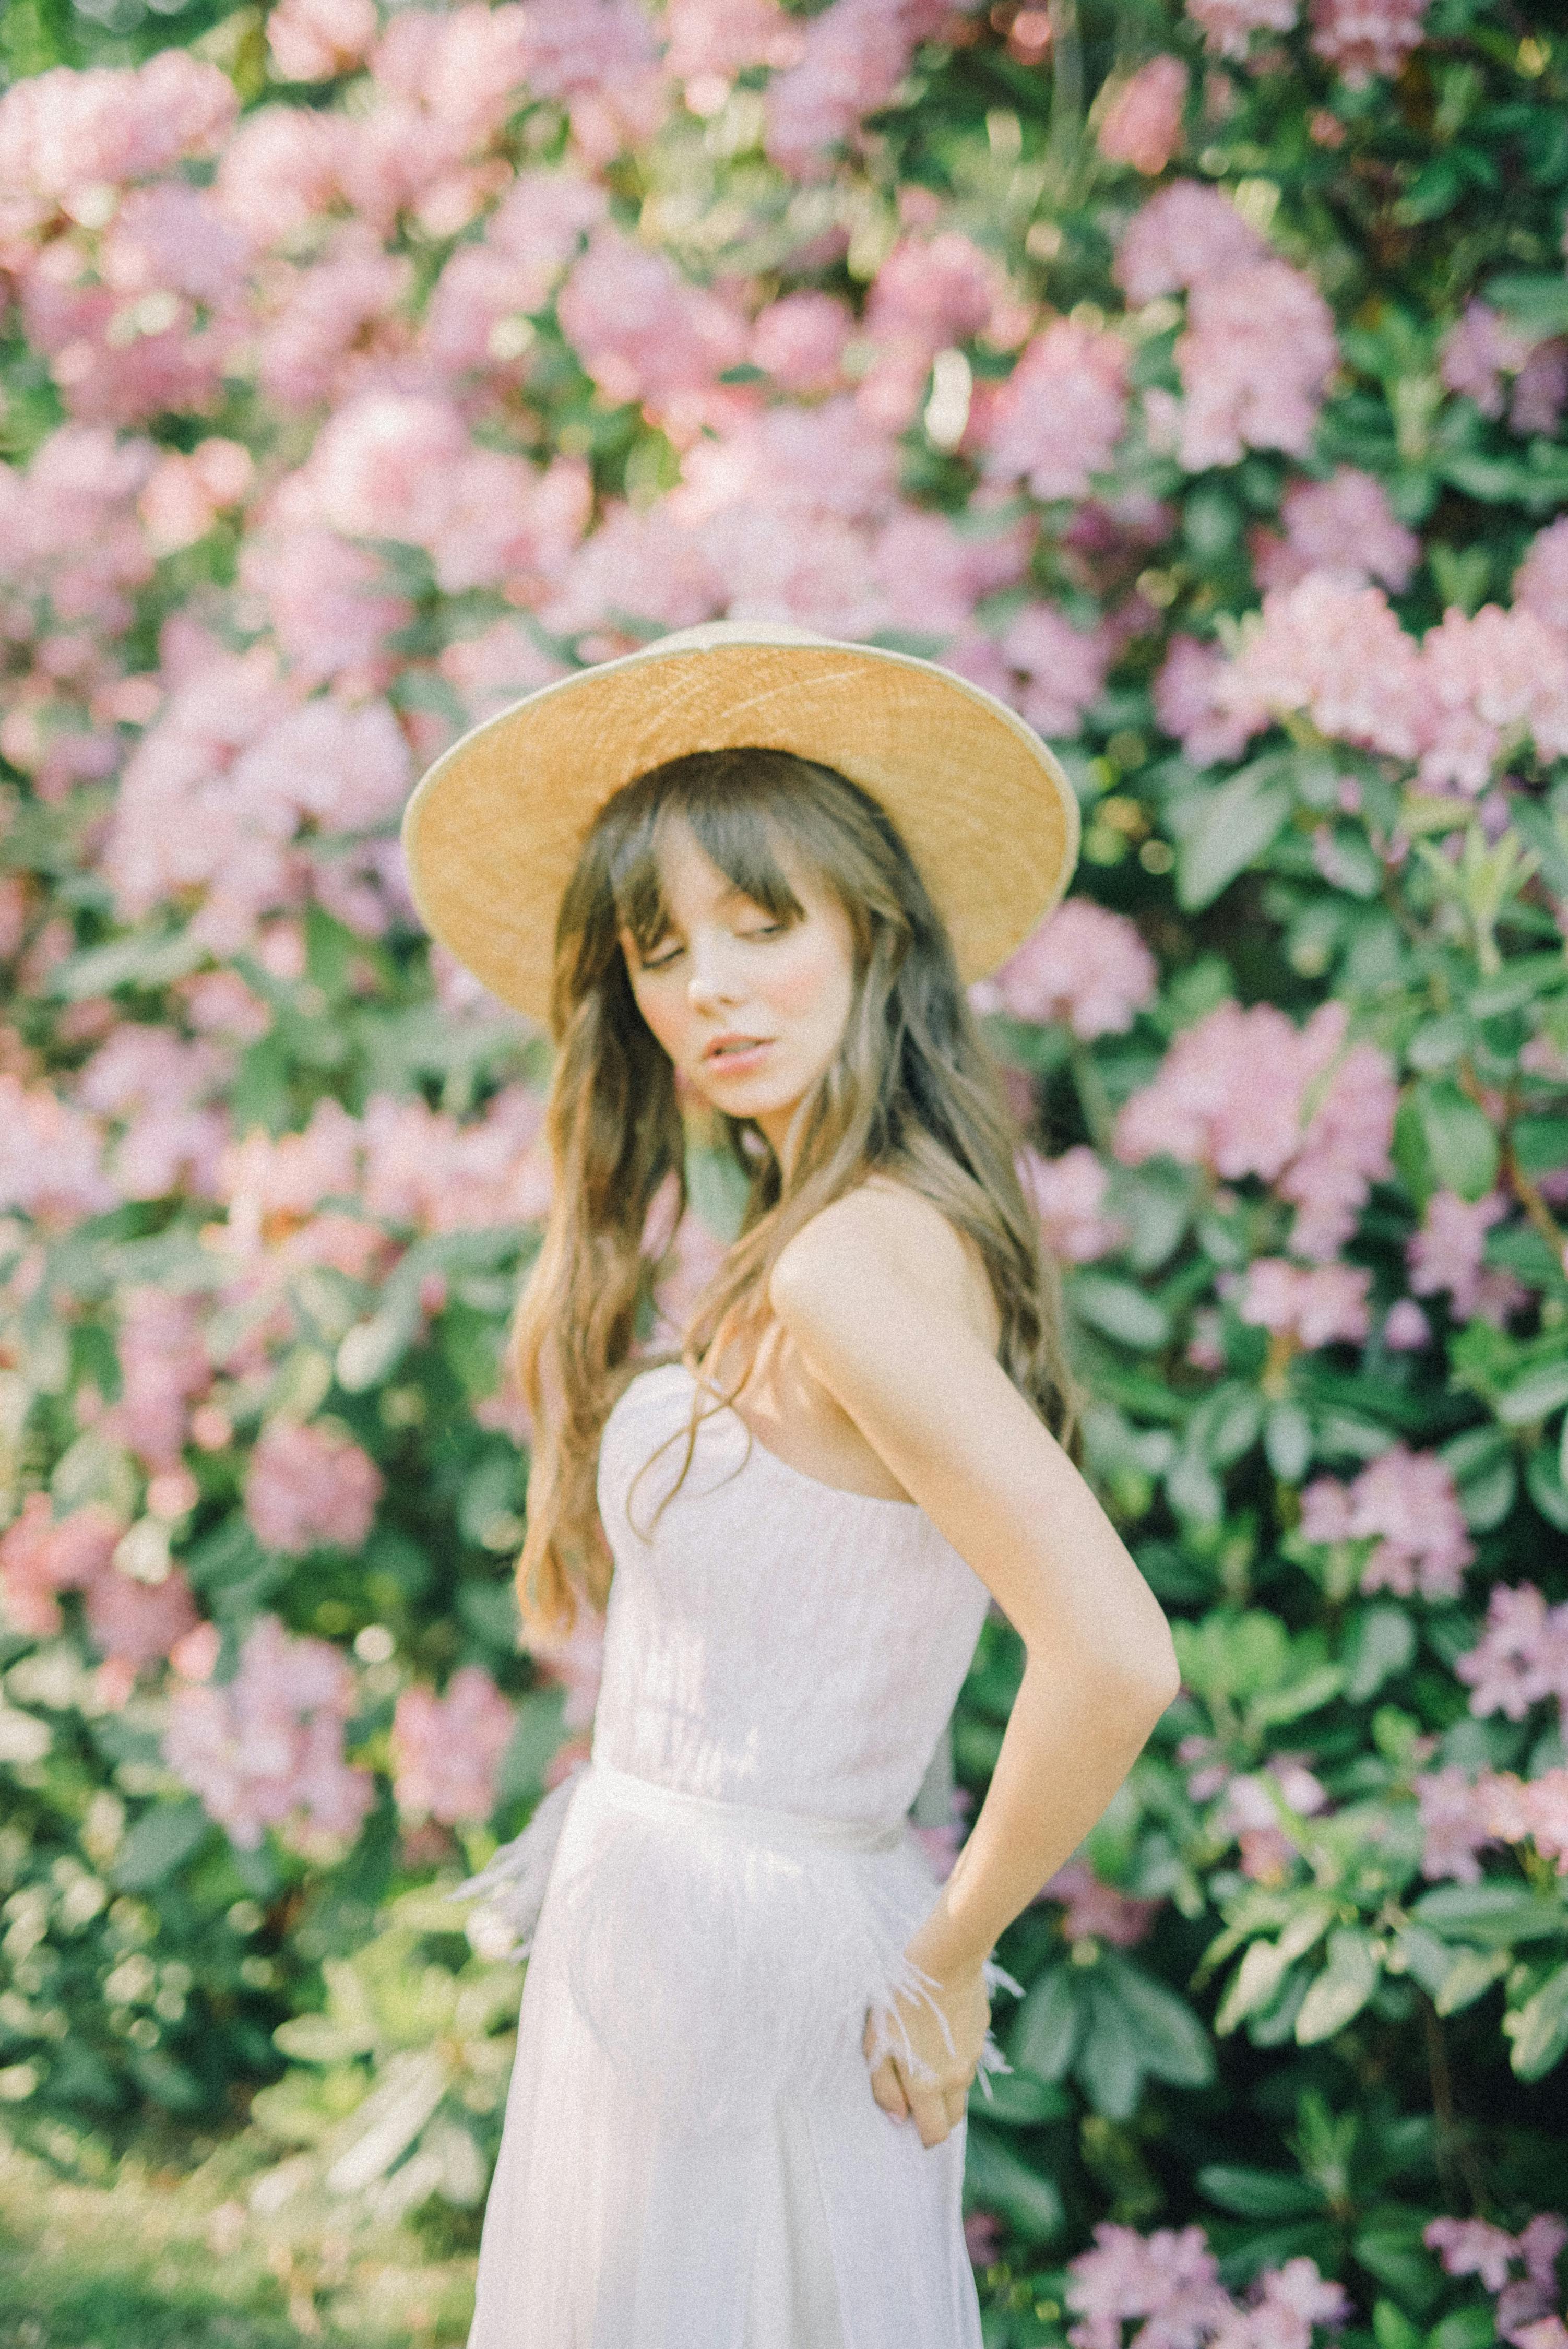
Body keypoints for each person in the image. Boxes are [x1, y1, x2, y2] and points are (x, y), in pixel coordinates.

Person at [399, 619, 1182, 2348]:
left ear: (869, 935)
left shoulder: (848, 1267)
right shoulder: (846, 1235)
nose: (710, 992)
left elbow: (1115, 1653)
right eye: (663, 947)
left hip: (769, 1971)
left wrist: (950, 1952)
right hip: (680, 1948)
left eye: (765, 925)